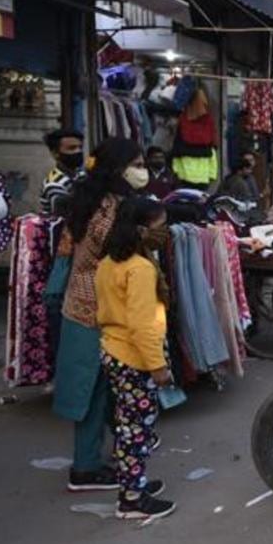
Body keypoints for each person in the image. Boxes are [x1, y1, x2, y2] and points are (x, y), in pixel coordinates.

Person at [53, 139, 150, 493]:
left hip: (79, 303)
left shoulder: (88, 199)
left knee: (94, 389)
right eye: (137, 164)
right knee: (98, 390)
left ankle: (92, 459)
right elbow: (119, 254)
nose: (143, 170)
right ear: (118, 169)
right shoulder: (110, 209)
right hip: (99, 308)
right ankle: (86, 467)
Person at [94, 197, 178, 521]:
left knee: (128, 424)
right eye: (161, 226)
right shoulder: (140, 269)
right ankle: (131, 497)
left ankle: (134, 482)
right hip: (134, 356)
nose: (165, 232)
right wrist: (158, 367)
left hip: (114, 349)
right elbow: (144, 326)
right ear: (142, 229)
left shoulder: (109, 262)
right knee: (136, 429)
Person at [41, 128, 86, 215]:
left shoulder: (80, 174)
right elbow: (65, 215)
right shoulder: (54, 184)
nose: (78, 151)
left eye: (80, 147)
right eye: (71, 148)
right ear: (55, 153)